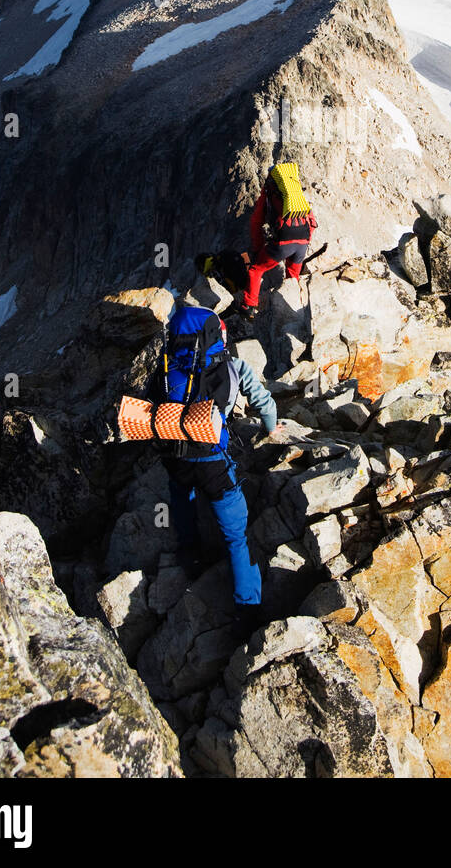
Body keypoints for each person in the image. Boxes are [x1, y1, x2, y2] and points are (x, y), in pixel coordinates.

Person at [145, 304, 286, 635]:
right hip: (214, 464)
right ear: (212, 335)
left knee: (181, 501)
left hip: (176, 460)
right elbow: (264, 401)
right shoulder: (232, 367)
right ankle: (247, 609)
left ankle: (191, 557)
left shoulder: (165, 369)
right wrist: (270, 428)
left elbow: (150, 411)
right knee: (236, 536)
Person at [241, 162, 317, 315]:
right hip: (304, 238)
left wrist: (258, 249)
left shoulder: (270, 193)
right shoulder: (295, 195)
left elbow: (256, 221)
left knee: (256, 270)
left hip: (284, 240)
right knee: (293, 276)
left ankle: (248, 306)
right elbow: (312, 221)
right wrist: (304, 240)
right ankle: (296, 310)